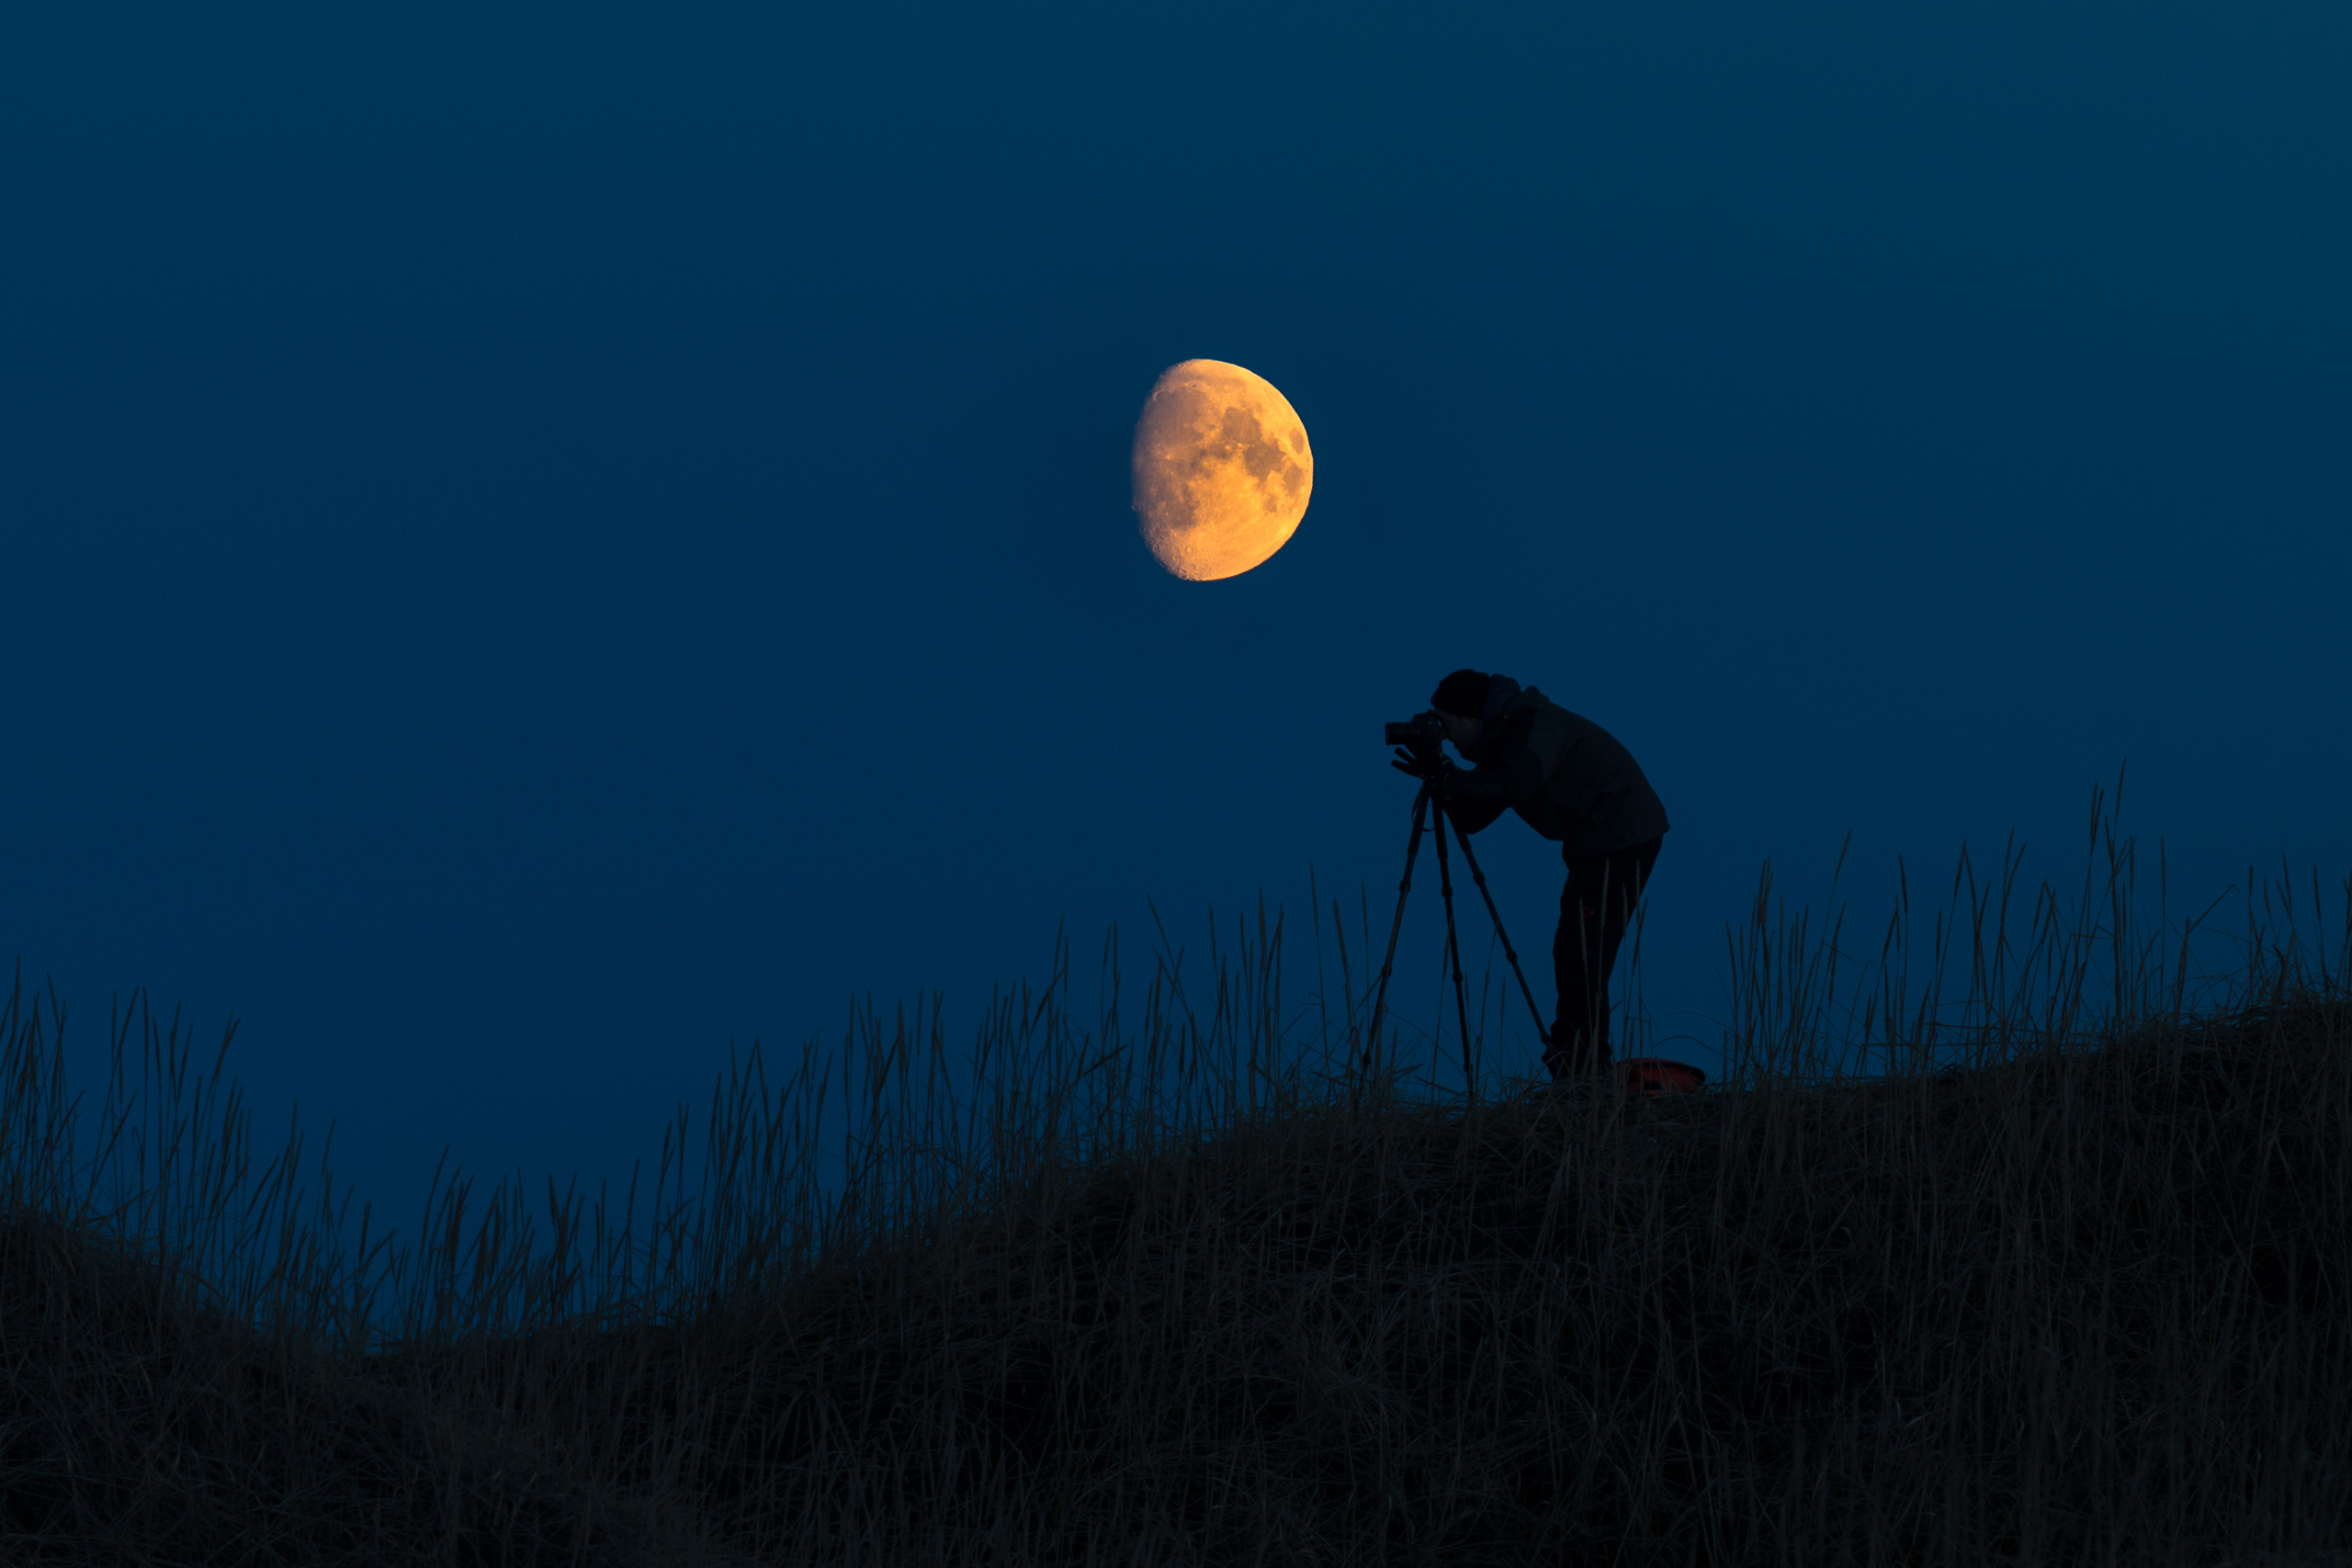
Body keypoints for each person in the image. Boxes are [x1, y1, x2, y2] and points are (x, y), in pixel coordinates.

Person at [1392, 668, 1668, 1082]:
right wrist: (1440, 774)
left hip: (1622, 837)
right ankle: (1579, 1075)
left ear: (1471, 716)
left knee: (1582, 956)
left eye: (1445, 724)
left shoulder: (1536, 726)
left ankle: (1582, 1078)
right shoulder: (1504, 737)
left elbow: (1511, 785)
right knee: (1574, 954)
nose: (1444, 735)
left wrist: (1451, 774)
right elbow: (1473, 816)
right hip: (1597, 845)